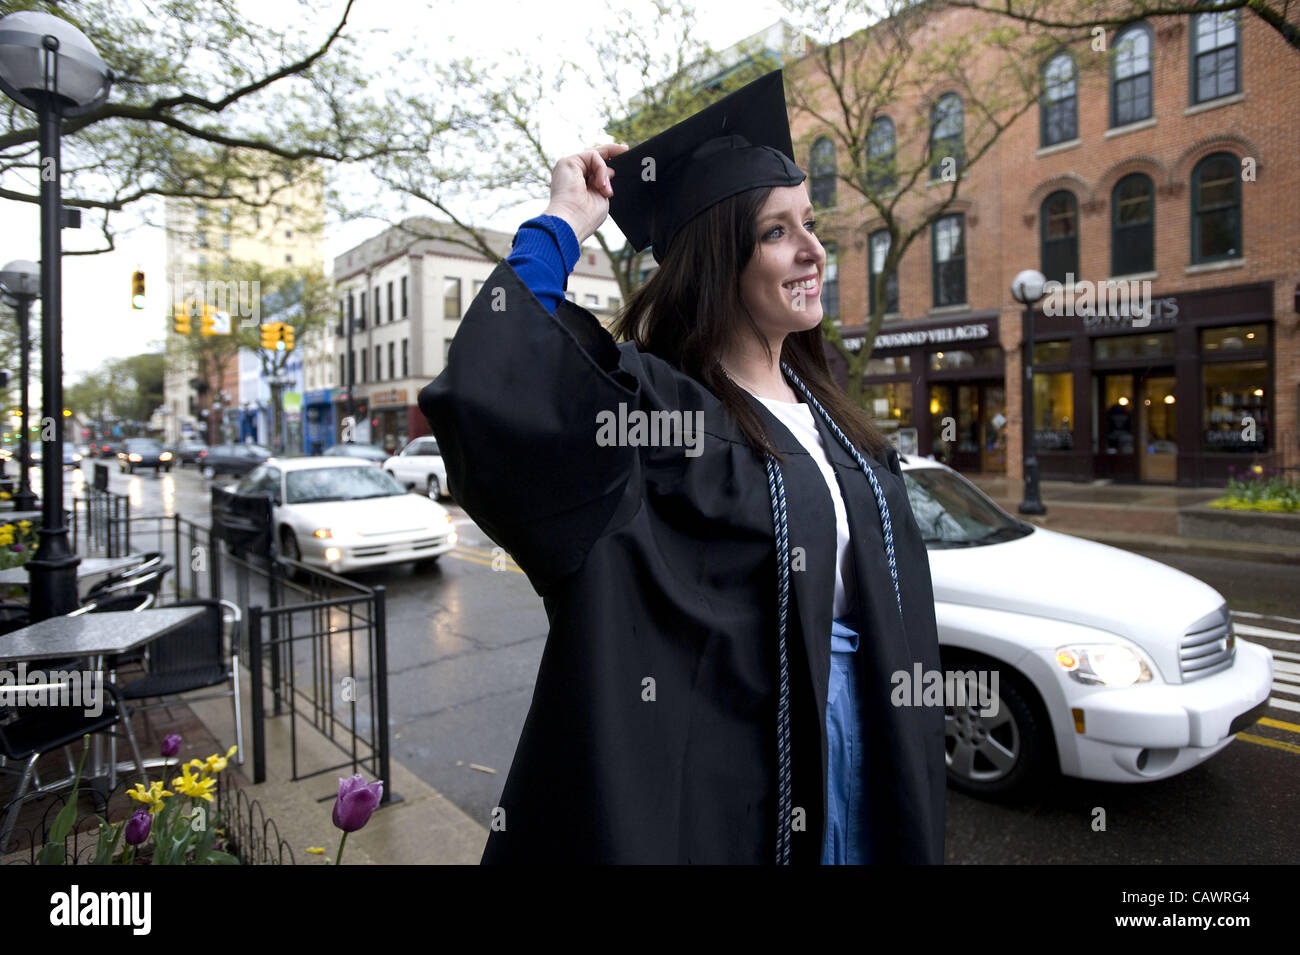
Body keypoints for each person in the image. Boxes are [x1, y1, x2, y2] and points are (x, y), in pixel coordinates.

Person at [419, 71, 944, 865]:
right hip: (741, 795)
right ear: (717, 258)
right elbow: (495, 388)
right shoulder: (655, 413)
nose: (813, 250)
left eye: (810, 223)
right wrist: (562, 223)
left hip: (872, 752)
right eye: (776, 232)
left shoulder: (834, 413)